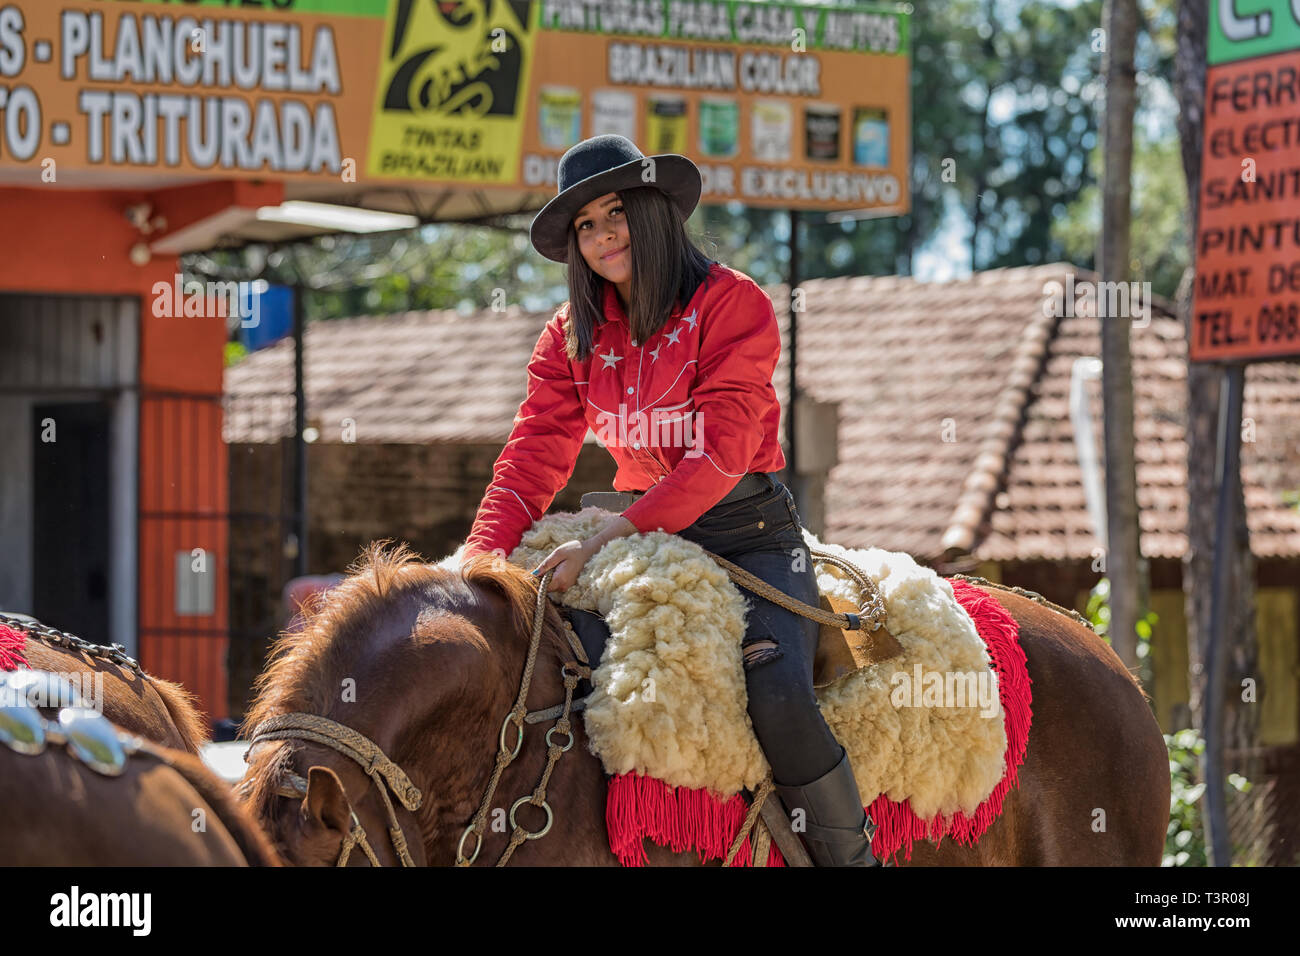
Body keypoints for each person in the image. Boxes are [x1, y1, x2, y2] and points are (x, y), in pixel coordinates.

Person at [462, 134, 877, 866]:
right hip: (637, 543)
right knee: (558, 676)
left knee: (779, 698)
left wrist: (605, 536)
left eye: (614, 212)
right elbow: (531, 459)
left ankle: (852, 862)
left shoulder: (733, 305)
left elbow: (719, 457)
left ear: (654, 211)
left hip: (747, 535)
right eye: (584, 226)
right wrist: (476, 556)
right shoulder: (569, 338)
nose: (600, 237)